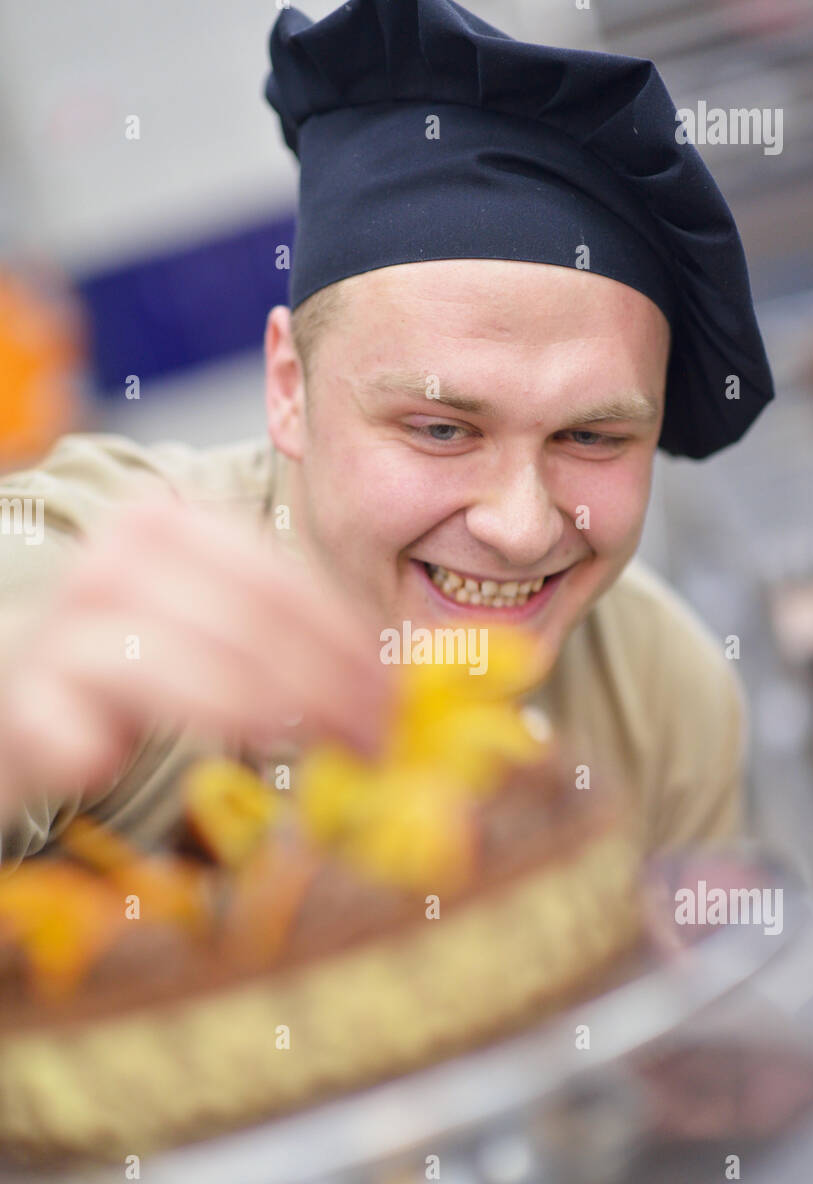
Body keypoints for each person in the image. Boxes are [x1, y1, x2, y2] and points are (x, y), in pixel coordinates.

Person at [0, 0, 774, 871]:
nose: (519, 529)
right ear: (290, 389)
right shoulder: (104, 586)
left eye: (590, 437)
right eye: (442, 427)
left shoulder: (664, 698)